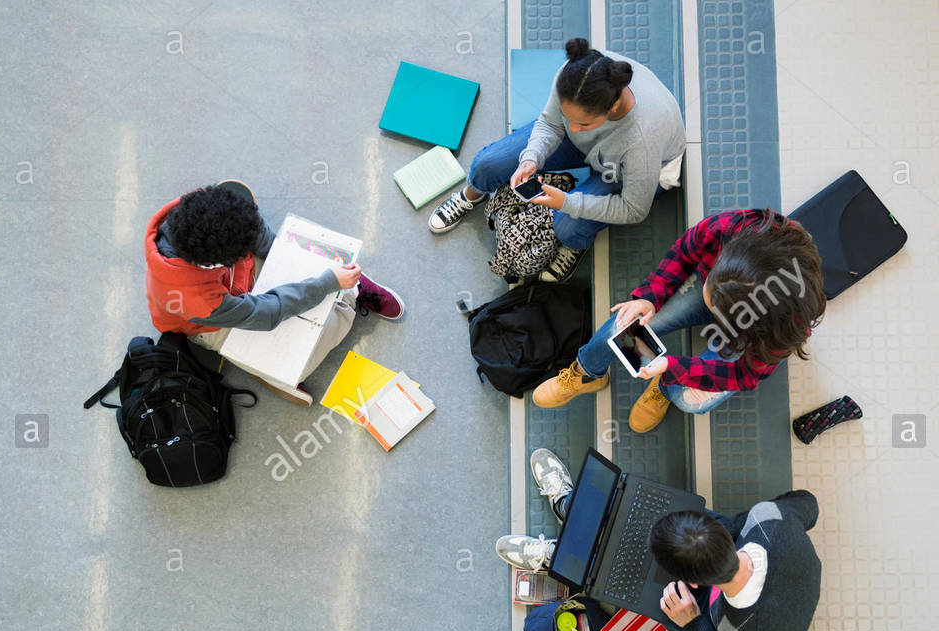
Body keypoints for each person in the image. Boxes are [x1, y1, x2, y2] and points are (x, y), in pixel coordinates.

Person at [532, 208, 826, 433]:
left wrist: (675, 368)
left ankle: (663, 386)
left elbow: (743, 375)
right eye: (711, 282)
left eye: (716, 303)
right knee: (625, 323)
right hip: (736, 303)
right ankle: (586, 374)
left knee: (686, 399)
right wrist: (651, 294)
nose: (709, 299)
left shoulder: (782, 329)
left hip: (747, 333)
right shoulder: (737, 228)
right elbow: (688, 248)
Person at [428, 38, 684, 283]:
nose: (571, 128)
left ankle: (576, 244)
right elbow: (551, 123)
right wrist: (531, 158)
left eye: (583, 122)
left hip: (626, 168)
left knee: (568, 228)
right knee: (488, 164)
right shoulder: (573, 77)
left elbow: (634, 209)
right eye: (567, 116)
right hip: (597, 147)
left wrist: (566, 202)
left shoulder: (643, 138)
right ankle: (472, 195)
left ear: (614, 106)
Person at [144, 180, 405, 406]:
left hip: (228, 287)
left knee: (303, 267)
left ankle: (348, 281)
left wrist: (289, 260)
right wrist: (326, 283)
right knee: (295, 347)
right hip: (206, 323)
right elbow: (266, 313)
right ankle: (274, 372)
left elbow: (261, 237)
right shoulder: (195, 299)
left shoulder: (201, 211)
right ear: (221, 262)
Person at [648, 491, 821, 631]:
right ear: (723, 532)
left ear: (692, 583)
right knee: (686, 534)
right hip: (790, 572)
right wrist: (709, 543)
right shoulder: (765, 516)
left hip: (757, 628)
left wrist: (693, 623)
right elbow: (809, 504)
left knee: (658, 601)